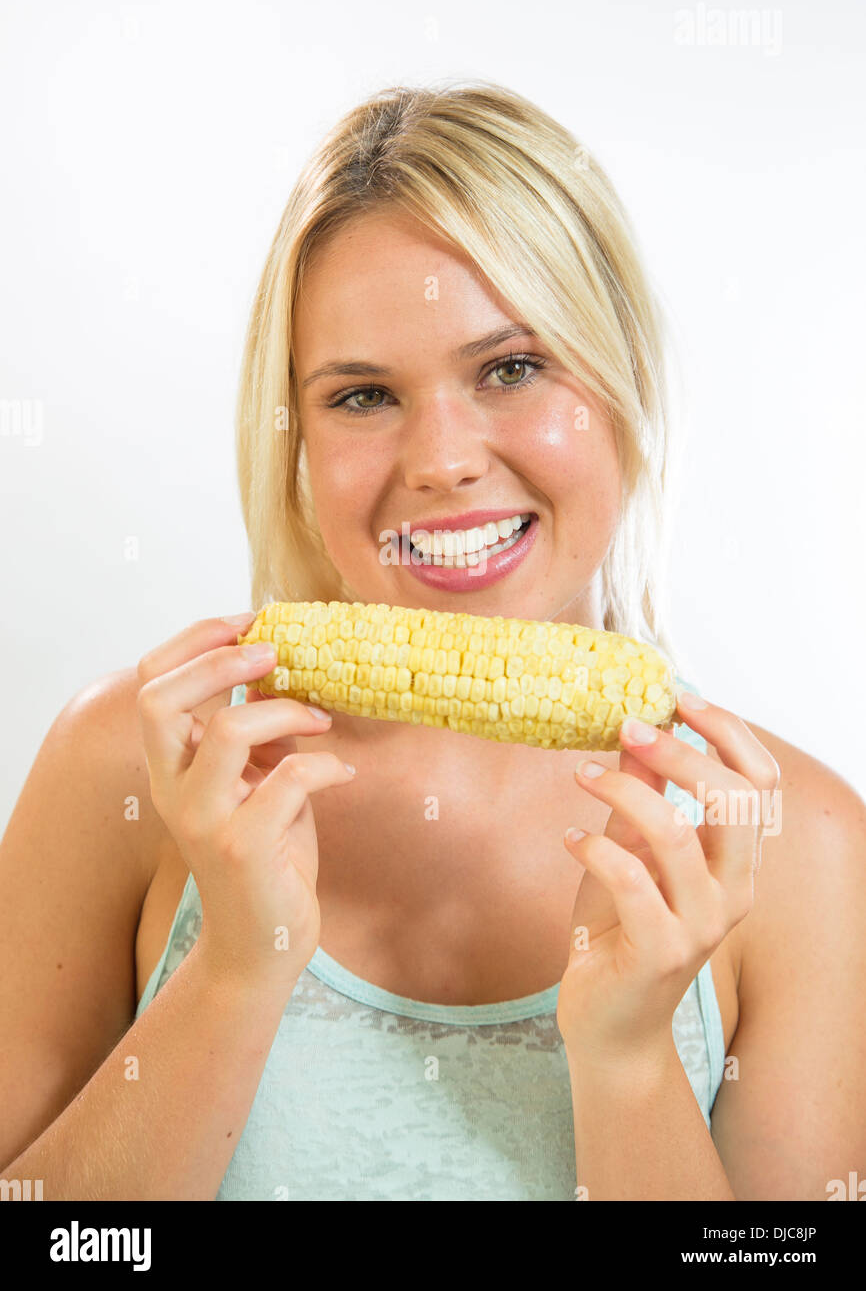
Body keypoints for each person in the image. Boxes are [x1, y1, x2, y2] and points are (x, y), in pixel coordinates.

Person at [1, 81, 863, 1202]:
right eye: (361, 396)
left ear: (623, 380)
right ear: (297, 439)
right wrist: (230, 973)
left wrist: (627, 1058)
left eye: (510, 367)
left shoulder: (797, 846)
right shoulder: (131, 764)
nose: (442, 460)